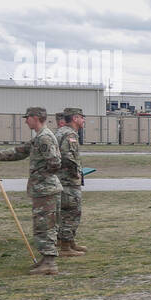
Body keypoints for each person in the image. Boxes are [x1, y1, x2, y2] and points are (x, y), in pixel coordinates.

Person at [0, 105, 62, 273]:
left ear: (36, 117)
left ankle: (50, 263)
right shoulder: (39, 137)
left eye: (28, 117)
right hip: (43, 189)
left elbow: (55, 163)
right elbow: (19, 152)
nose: (26, 121)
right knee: (43, 225)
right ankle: (46, 259)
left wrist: (41, 176)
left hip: (46, 189)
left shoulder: (45, 138)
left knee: (45, 225)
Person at [55, 107, 87, 256]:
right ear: (75, 118)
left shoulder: (61, 131)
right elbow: (68, 157)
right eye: (81, 117)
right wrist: (76, 174)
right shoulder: (69, 134)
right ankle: (66, 247)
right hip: (68, 180)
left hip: (62, 179)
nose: (83, 120)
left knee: (66, 212)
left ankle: (68, 241)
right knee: (72, 212)